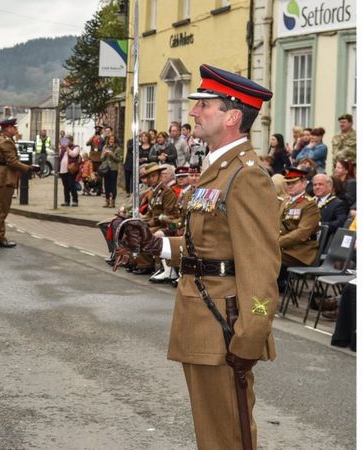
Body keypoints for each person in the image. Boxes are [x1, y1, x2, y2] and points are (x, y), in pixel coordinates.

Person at [115, 64, 279, 449]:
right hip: (203, 316)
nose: (192, 113)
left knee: (227, 436)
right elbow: (208, 244)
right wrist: (159, 246)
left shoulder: (246, 175)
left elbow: (260, 265)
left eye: (204, 105)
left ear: (232, 116)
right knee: (213, 432)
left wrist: (251, 335)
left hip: (225, 323)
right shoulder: (216, 170)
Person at [0, 117, 39, 247]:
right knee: (1, 209)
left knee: (0, 208)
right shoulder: (6, 142)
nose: (16, 129)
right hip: (4, 178)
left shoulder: (4, 140)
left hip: (1, 176)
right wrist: (29, 168)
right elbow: (12, 161)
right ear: (7, 129)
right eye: (14, 127)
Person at [276, 167, 320, 291]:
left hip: (301, 251)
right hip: (285, 247)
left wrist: (276, 242)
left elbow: (302, 233)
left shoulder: (309, 205)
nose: (289, 186)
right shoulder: (286, 201)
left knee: (267, 253)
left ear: (304, 183)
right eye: (288, 183)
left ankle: (267, 288)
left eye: (293, 183)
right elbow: (276, 224)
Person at [58, 134, 81, 207]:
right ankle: (66, 201)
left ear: (71, 140)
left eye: (67, 140)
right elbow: (59, 156)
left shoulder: (76, 147)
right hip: (63, 169)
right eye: (65, 140)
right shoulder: (62, 148)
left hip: (71, 169)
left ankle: (75, 201)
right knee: (66, 186)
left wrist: (67, 148)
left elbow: (73, 154)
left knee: (71, 185)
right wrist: (61, 147)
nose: (65, 142)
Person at [101, 134, 123, 208]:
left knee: (113, 185)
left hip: (113, 169)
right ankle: (107, 201)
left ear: (115, 140)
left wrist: (112, 155)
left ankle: (112, 202)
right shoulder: (105, 147)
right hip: (106, 169)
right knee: (106, 185)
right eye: (110, 139)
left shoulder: (118, 149)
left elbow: (120, 159)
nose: (111, 141)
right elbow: (101, 158)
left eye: (113, 139)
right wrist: (104, 154)